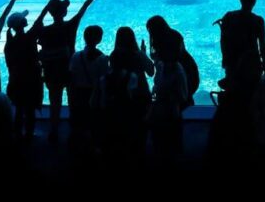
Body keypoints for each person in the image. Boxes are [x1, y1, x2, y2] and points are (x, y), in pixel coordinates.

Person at [36, 0, 103, 143]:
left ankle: (53, 131)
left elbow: (38, 22)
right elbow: (84, 8)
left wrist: (48, 6)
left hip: (51, 72)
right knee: (73, 101)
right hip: (70, 71)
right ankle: (75, 130)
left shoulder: (45, 31)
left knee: (55, 102)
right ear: (65, 12)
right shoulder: (70, 26)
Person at [95, 26, 154, 159]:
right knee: (140, 127)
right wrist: (144, 53)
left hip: (119, 98)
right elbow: (151, 72)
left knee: (121, 127)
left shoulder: (114, 55)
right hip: (140, 94)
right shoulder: (138, 54)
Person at [5, 3, 50, 143]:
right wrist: (49, 4)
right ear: (22, 24)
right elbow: (40, 19)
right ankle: (29, 134)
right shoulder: (28, 38)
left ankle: (18, 133)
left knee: (19, 108)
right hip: (31, 80)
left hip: (17, 80)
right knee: (30, 109)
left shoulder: (10, 43)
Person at [215, 0, 265, 97]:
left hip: (232, 62)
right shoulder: (258, 20)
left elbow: (223, 41)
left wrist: (225, 59)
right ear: (254, 1)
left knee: (233, 95)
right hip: (252, 65)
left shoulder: (229, 16)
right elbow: (262, 45)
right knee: (251, 95)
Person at [68, 25, 110, 148]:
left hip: (78, 93)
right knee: (94, 123)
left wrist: (71, 97)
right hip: (95, 94)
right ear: (99, 39)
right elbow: (104, 79)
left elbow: (72, 77)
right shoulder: (102, 58)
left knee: (79, 123)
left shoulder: (76, 56)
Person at [146, 15, 198, 108]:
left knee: (179, 100)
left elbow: (169, 61)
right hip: (187, 72)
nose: (150, 33)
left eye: (150, 30)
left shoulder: (167, 44)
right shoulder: (174, 35)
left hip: (181, 74)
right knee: (184, 99)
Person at [149, 42, 188, 161]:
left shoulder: (177, 71)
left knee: (170, 142)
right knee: (159, 141)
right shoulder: (162, 65)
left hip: (171, 111)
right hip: (161, 109)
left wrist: (168, 95)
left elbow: (182, 95)